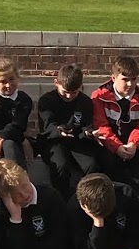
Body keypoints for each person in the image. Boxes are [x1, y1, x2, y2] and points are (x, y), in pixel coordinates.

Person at [36, 63, 104, 199]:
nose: (68, 96)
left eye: (73, 92)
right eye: (65, 92)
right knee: (61, 165)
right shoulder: (46, 100)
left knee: (91, 164)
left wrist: (89, 133)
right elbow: (47, 126)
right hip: (54, 141)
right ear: (56, 83)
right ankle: (61, 200)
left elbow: (86, 125)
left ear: (81, 87)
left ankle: (89, 198)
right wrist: (58, 130)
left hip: (77, 141)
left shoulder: (84, 101)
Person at [93, 56, 139, 190]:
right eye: (125, 80)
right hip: (109, 144)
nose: (130, 84)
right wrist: (117, 147)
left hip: (134, 144)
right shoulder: (99, 97)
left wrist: (133, 144)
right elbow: (101, 126)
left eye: (134, 79)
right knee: (108, 161)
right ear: (113, 78)